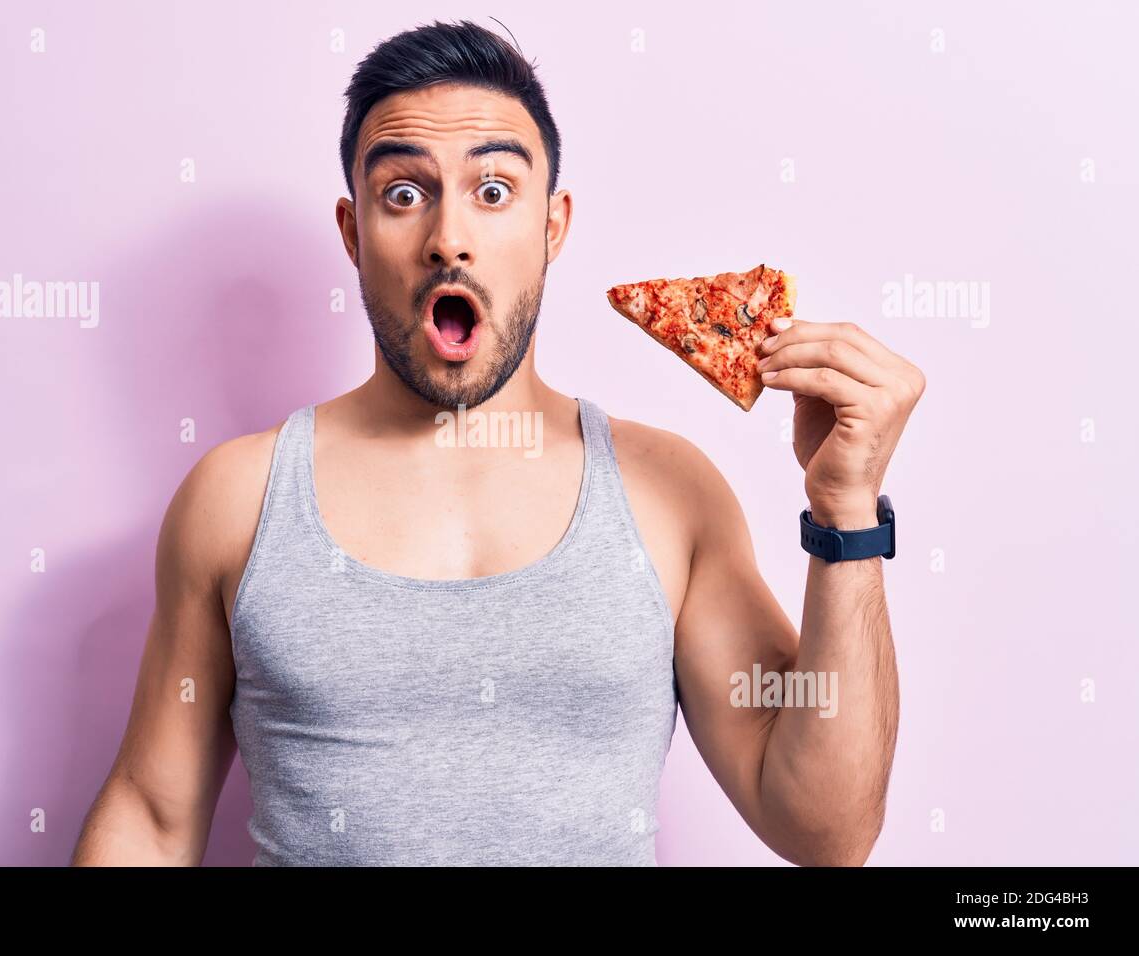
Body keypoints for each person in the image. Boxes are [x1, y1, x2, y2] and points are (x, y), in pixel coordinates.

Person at [72, 19, 925, 866]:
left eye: (492, 191)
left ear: (552, 227)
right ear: (351, 232)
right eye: (404, 193)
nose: (449, 236)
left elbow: (826, 828)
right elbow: (152, 817)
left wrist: (846, 512)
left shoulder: (669, 492)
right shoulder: (236, 497)